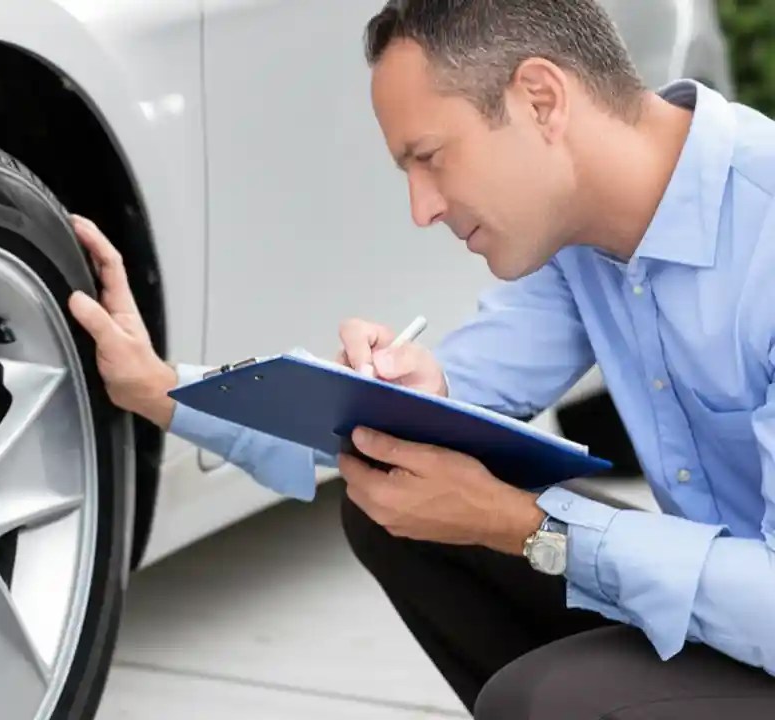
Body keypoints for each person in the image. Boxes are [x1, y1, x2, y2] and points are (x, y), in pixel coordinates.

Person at [66, 0, 775, 717]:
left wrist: (527, 526)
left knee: (550, 699)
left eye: (429, 157)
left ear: (540, 99)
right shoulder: (580, 243)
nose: (422, 208)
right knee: (397, 495)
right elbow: (428, 415)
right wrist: (158, 387)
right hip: (730, 622)